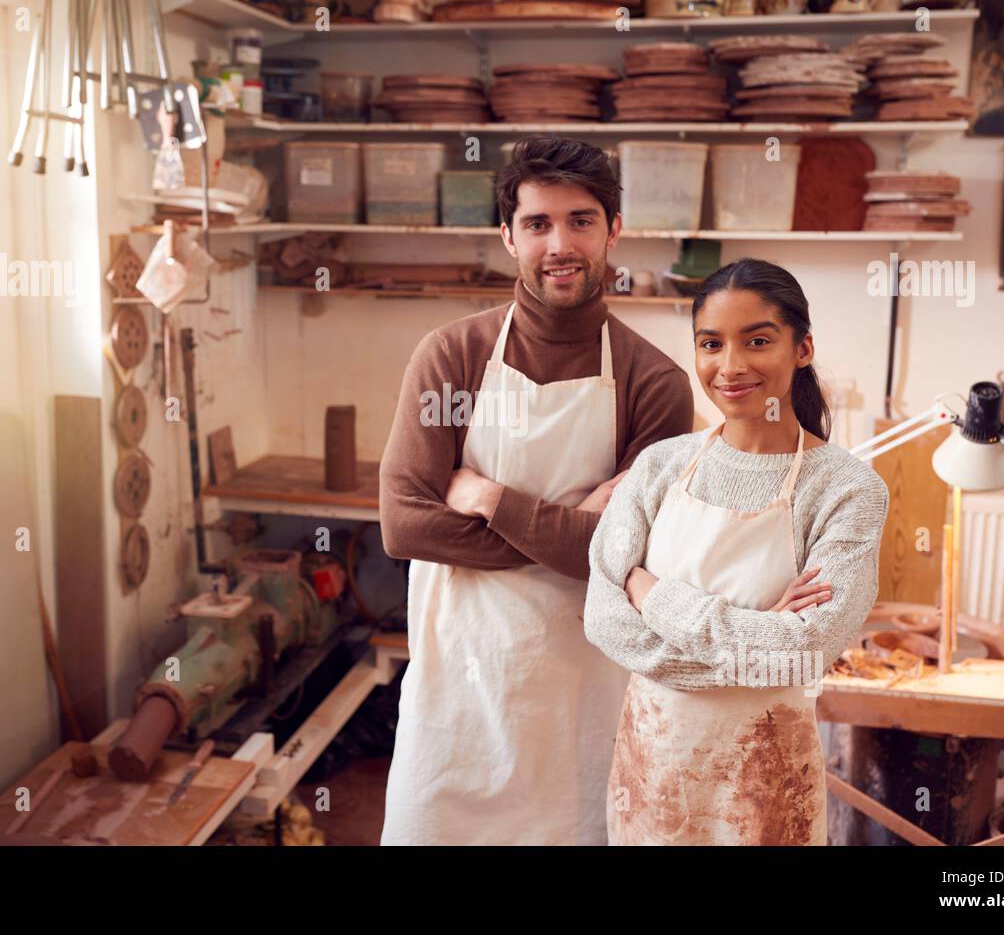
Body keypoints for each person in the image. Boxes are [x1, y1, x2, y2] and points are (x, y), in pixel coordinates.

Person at [378, 136, 695, 845]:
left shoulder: (656, 384)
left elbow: (622, 556)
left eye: (581, 220)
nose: (561, 243)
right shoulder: (451, 357)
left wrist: (491, 497)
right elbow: (405, 527)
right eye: (538, 224)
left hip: (581, 695)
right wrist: (569, 532)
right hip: (458, 684)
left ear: (615, 229)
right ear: (507, 237)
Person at [583, 257, 890, 845]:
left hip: (765, 780)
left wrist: (651, 594)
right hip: (652, 772)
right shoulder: (660, 465)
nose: (730, 366)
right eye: (710, 343)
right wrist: (755, 636)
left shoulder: (845, 489)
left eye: (757, 341)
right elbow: (603, 619)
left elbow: (802, 654)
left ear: (802, 348)